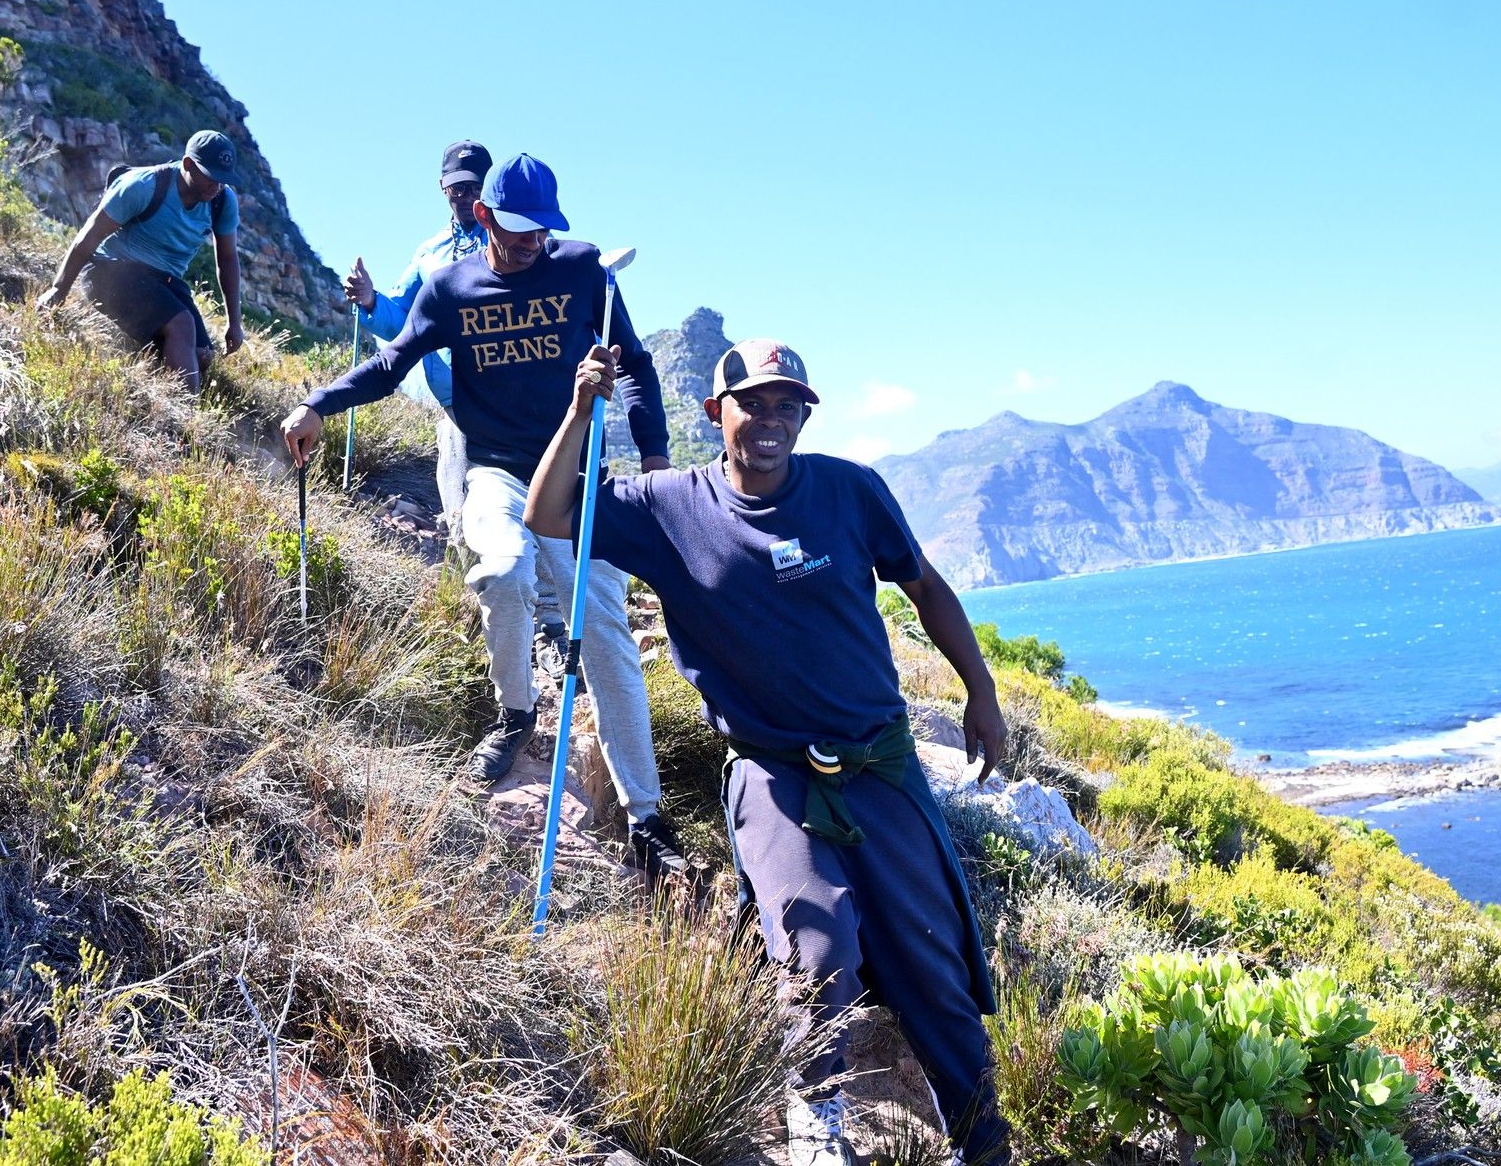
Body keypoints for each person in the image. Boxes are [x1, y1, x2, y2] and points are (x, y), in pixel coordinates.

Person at [525, 339, 1014, 1165]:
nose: (772, 420)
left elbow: (924, 584)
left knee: (934, 963)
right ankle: (815, 1126)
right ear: (717, 412)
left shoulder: (850, 490)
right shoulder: (666, 506)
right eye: (753, 402)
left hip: (881, 766)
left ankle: (980, 1137)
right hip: (772, 774)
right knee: (817, 950)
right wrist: (581, 411)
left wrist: (983, 690)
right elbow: (545, 513)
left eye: (789, 404)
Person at [281, 153, 688, 880]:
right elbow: (391, 363)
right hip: (495, 468)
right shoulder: (451, 286)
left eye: (544, 229)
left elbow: (634, 365)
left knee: (604, 633)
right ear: (483, 217)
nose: (534, 242)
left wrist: (654, 451)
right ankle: (515, 712)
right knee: (500, 571)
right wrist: (319, 404)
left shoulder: (585, 271)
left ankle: (646, 817)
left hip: (575, 474)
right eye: (520, 229)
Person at [345, 140, 569, 670]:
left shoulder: (524, 240)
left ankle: (551, 624)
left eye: (474, 187)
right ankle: (484, 608)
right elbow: (404, 322)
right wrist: (373, 301)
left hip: (526, 409)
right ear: (444, 191)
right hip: (456, 404)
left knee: (537, 507)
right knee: (465, 510)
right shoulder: (429, 257)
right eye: (456, 189)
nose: (465, 197)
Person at [35, 131, 247, 391]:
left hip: (165, 282)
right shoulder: (143, 185)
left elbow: (227, 260)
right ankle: (186, 421)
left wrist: (234, 322)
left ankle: (149, 369)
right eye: (211, 176)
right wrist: (58, 290)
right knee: (181, 325)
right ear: (188, 164)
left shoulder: (222, 201)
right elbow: (88, 236)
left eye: (223, 180)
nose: (217, 186)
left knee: (203, 356)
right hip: (111, 271)